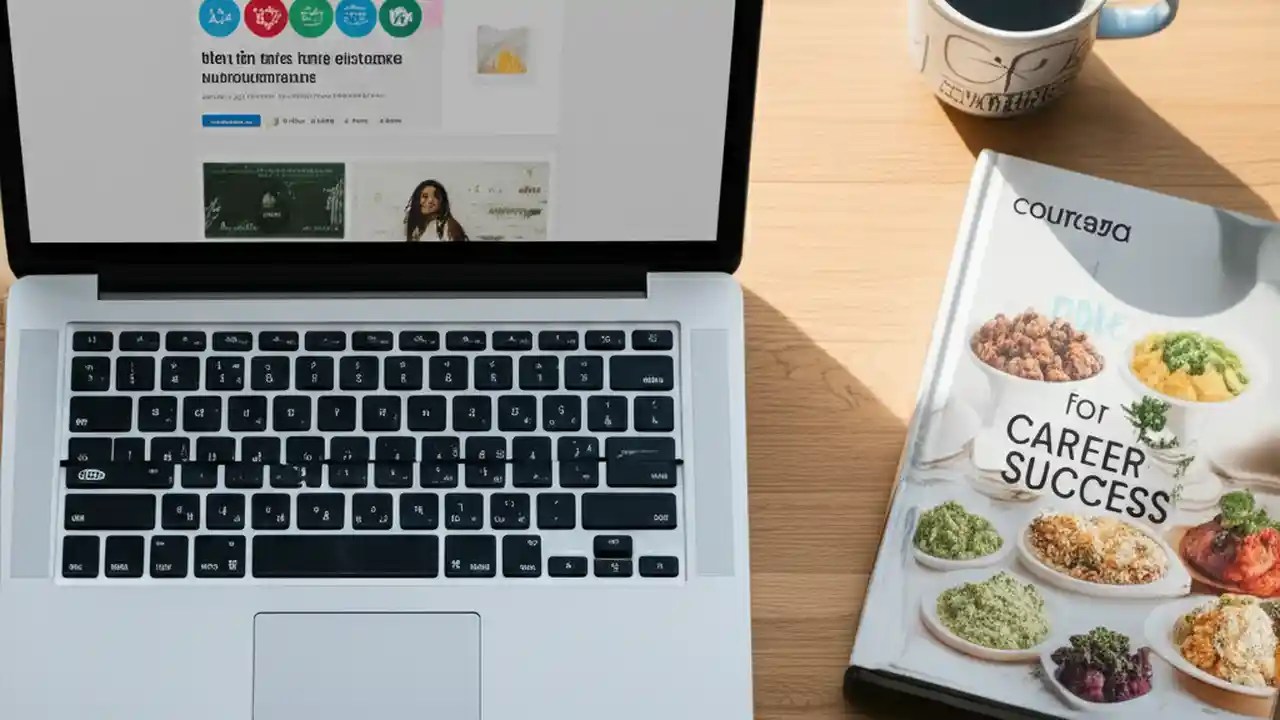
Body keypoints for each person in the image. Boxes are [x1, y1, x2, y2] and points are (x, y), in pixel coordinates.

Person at [403, 179, 468, 242]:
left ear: (442, 201)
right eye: (425, 196)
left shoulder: (448, 226)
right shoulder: (417, 227)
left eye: (436, 196)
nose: (430, 200)